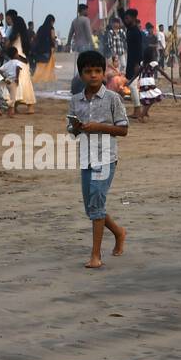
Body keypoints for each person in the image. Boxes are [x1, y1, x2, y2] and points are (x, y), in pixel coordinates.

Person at [68, 50, 129, 267]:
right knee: (92, 207)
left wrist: (99, 128)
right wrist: (76, 127)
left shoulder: (113, 99)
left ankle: (96, 255)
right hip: (86, 158)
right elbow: (71, 130)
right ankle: (119, 232)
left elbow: (123, 130)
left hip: (106, 158)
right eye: (88, 71)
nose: (93, 75)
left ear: (104, 73)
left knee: (96, 202)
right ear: (81, 74)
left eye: (97, 71)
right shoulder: (76, 101)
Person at [136, 47, 162, 118]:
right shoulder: (153, 63)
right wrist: (171, 80)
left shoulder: (142, 63)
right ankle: (141, 115)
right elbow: (162, 73)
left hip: (142, 82)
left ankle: (145, 112)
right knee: (154, 98)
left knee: (148, 98)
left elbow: (137, 73)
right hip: (149, 82)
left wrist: (130, 82)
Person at [31, 14, 56, 82]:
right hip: (47, 51)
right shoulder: (51, 28)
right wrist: (54, 45)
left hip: (38, 51)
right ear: (51, 21)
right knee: (49, 65)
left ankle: (37, 79)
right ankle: (46, 79)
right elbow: (53, 38)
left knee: (39, 66)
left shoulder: (40, 28)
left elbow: (35, 37)